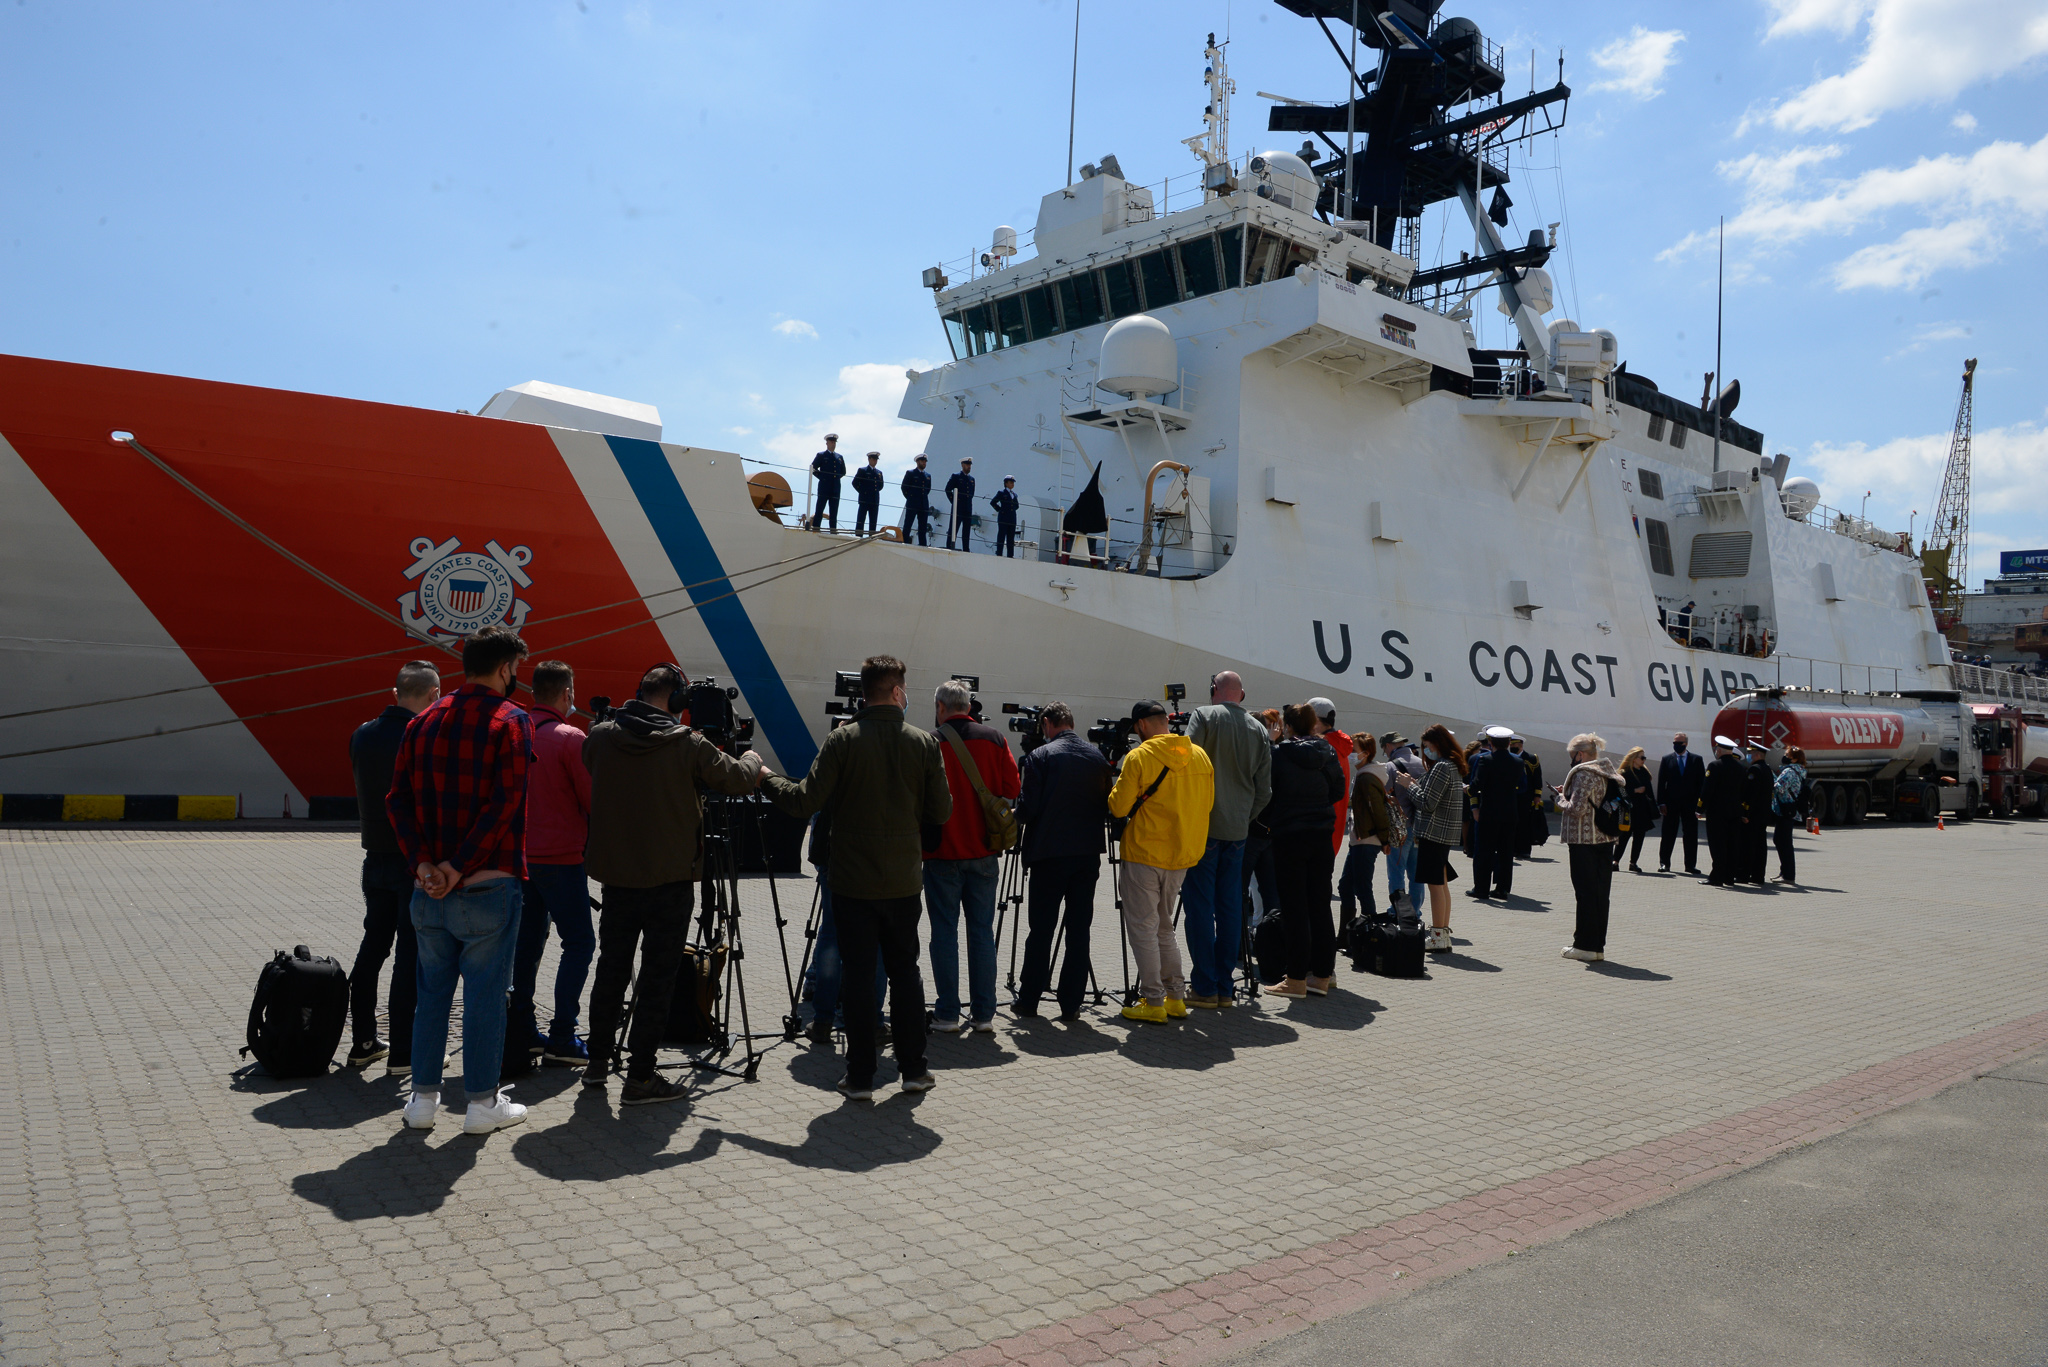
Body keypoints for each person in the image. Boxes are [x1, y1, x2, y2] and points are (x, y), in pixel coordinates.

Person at [763, 655, 952, 1101]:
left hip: (851, 883)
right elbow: (941, 811)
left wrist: (765, 778)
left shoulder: (842, 741)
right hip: (904, 883)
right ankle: (914, 1070)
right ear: (898, 693)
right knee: (906, 974)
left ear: (863, 692)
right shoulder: (924, 743)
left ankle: (861, 1076)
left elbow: (804, 801)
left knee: (860, 976)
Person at [579, 665, 765, 1106]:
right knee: (657, 978)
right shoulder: (689, 745)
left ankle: (597, 1064)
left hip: (618, 880)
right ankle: (641, 1077)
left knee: (611, 971)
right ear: (678, 700)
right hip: (671, 881)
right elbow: (737, 779)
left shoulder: (601, 738)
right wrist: (753, 759)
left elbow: (593, 765)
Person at [386, 626, 533, 1135]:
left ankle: (421, 1102)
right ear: (505, 668)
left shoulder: (422, 720)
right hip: (487, 885)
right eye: (515, 668)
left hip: (427, 890)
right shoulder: (511, 720)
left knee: (432, 996)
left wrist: (425, 863)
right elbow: (504, 804)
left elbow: (396, 800)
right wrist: (459, 865)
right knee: (486, 998)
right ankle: (480, 1105)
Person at [344, 659, 442, 1073]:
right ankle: (403, 1052)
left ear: (395, 692)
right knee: (410, 955)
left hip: (375, 858)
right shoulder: (422, 734)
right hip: (412, 861)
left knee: (372, 948)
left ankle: (363, 1040)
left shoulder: (362, 734)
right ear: (435, 696)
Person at [510, 660, 596, 1067]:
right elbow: (593, 801)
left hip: (519, 859)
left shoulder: (514, 729)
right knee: (579, 942)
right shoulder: (570, 738)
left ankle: (522, 1030)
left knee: (525, 946)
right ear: (566, 694)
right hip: (561, 860)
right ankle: (563, 1034)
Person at [923, 677, 1021, 1034]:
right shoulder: (994, 739)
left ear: (940, 707)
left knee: (944, 933)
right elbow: (1012, 788)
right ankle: (983, 1014)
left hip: (941, 853)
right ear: (969, 706)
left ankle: (947, 1013)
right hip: (984, 852)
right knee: (981, 932)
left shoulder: (929, 742)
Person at [1107, 699, 1215, 1023]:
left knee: (1143, 929)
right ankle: (1176, 997)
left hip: (1144, 852)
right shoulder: (1200, 755)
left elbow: (1118, 807)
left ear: (1140, 725)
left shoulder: (1139, 756)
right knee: (1164, 927)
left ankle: (1153, 1000)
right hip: (1181, 855)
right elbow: (1207, 804)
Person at [1013, 702, 1110, 1020]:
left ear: (1046, 723)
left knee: (1041, 928)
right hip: (1086, 856)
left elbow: (1030, 809)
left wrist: (1012, 815)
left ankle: (1029, 1000)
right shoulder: (1097, 757)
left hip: (1049, 854)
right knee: (1079, 930)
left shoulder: (1041, 756)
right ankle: (1071, 1004)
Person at [1184, 671, 1272, 1009]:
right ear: (1243, 694)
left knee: (1200, 908)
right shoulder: (1259, 729)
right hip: (1238, 830)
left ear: (1213, 691)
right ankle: (1223, 987)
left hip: (1205, 827)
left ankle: (1204, 987)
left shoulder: (1204, 716)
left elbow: (1187, 763)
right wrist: (1242, 816)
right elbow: (1264, 791)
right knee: (1231, 906)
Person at [1265, 703, 1346, 999]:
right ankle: (1322, 976)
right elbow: (1338, 790)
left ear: (1288, 726)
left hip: (1290, 835)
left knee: (1294, 908)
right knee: (1320, 905)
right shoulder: (1328, 752)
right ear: (1314, 725)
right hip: (1321, 834)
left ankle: (1296, 978)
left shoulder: (1280, 753)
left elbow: (1268, 792)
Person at [1555, 733, 1621, 962]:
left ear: (1580, 754)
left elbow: (1578, 809)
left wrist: (1560, 798)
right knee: (1601, 895)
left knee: (1585, 894)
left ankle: (1584, 946)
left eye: (1572, 755)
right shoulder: (1607, 772)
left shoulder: (1584, 773)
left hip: (1584, 842)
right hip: (1606, 839)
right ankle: (1597, 946)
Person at [1409, 723, 1468, 953]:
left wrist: (1410, 786)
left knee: (1435, 886)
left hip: (1434, 832)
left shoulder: (1442, 766)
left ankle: (1437, 935)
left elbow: (1427, 803)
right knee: (1441, 885)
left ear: (1437, 744)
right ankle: (1442, 933)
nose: (1426, 750)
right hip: (1444, 833)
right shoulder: (1452, 765)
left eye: (1427, 745)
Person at [1338, 733, 1393, 925]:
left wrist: (1385, 840)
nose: (1351, 754)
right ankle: (1348, 934)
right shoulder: (1363, 775)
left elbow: (1377, 811)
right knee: (1346, 886)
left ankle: (1370, 933)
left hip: (1367, 840)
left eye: (1354, 751)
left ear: (1366, 753)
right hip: (1360, 839)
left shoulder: (1366, 778)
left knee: (1361, 888)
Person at [1467, 725, 1524, 900]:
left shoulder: (1485, 760)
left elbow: (1476, 785)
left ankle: (1482, 889)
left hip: (1489, 813)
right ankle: (1502, 889)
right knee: (1506, 853)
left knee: (1485, 851)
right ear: (1508, 742)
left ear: (1490, 742)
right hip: (1509, 813)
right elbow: (1521, 787)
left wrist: (1468, 790)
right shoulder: (1518, 761)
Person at [1240, 708, 1283, 933]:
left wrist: (1249, 817)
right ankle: (1273, 942)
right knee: (1269, 892)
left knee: (1239, 891)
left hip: (1252, 831)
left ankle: (1239, 945)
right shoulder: (1278, 752)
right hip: (1270, 831)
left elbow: (1261, 791)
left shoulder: (1262, 753)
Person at [1381, 732, 1424, 916]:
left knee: (1396, 872)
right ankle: (1415, 912)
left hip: (1400, 828)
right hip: (1421, 825)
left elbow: (1384, 795)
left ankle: (1398, 912)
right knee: (1416, 874)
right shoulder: (1423, 763)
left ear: (1389, 746)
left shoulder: (1390, 766)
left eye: (1384, 749)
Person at [1307, 698, 1353, 858]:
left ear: (1315, 719)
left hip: (1317, 825)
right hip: (1335, 823)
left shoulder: (1320, 746)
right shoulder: (1340, 746)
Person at [1699, 735, 1746, 887]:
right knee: (1733, 844)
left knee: (1717, 844)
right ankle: (1729, 878)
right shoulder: (1741, 768)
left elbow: (1707, 790)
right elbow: (1744, 792)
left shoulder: (1714, 766)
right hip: (1735, 812)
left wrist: (1700, 808)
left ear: (1719, 750)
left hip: (1717, 813)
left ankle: (1716, 877)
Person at [1657, 732, 1705, 873]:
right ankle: (1664, 863)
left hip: (1690, 804)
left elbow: (1701, 784)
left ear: (1686, 744)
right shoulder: (1667, 759)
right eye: (1674, 743)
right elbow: (1661, 783)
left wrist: (1700, 805)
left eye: (1679, 743)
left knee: (1690, 835)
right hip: (1671, 804)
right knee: (1668, 834)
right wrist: (1661, 803)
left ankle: (1690, 865)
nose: (1676, 746)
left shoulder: (1696, 759)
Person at [1612, 746, 1658, 872]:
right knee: (1624, 836)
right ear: (1634, 758)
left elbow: (1650, 792)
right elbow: (1619, 791)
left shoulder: (1644, 772)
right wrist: (1635, 791)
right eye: (1641, 757)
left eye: (1644, 757)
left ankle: (1633, 862)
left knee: (1639, 837)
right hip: (1628, 809)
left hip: (1642, 810)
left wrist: (1654, 807)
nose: (1644, 760)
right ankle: (1615, 861)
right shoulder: (1624, 773)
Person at [1771, 746, 1808, 885]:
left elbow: (1779, 787)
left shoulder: (1789, 771)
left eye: (1787, 755)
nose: (1785, 756)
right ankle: (1785, 872)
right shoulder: (1800, 771)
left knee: (1782, 842)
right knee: (1783, 841)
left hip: (1785, 810)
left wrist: (1772, 777)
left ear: (1795, 758)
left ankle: (1788, 874)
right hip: (1791, 810)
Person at [1510, 735, 1548, 858]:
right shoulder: (1509, 757)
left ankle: (1524, 850)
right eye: (1510, 745)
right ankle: (1513, 849)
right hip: (1512, 796)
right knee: (1512, 823)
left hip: (1526, 797)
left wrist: (1537, 795)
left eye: (1514, 745)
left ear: (1520, 745)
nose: (1511, 747)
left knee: (1525, 823)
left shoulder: (1531, 758)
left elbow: (1537, 778)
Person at [809, 433, 846, 532]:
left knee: (834, 510)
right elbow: (813, 468)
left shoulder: (839, 457)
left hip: (835, 487)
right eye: (831, 442)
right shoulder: (821, 455)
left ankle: (833, 530)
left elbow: (843, 472)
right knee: (820, 507)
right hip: (824, 486)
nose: (833, 444)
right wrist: (822, 477)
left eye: (834, 442)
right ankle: (816, 528)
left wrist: (835, 479)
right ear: (827, 443)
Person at [944, 457, 977, 551]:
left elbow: (972, 493)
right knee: (953, 528)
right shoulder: (956, 476)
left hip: (967, 507)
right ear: (962, 465)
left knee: (966, 530)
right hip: (958, 507)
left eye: (970, 465)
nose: (969, 467)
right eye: (967, 465)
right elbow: (947, 489)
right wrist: (954, 502)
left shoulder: (972, 479)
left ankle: (966, 548)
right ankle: (949, 546)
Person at [901, 455, 934, 546]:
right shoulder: (911, 473)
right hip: (912, 503)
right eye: (922, 461)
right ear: (917, 462)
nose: (924, 463)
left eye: (925, 461)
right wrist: (910, 497)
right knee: (908, 523)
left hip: (923, 503)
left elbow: (928, 489)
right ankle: (904, 541)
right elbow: (904, 487)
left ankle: (923, 544)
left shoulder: (927, 476)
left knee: (923, 525)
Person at [852, 451, 885, 537]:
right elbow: (855, 483)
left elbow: (880, 486)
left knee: (873, 521)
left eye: (876, 459)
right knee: (861, 519)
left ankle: (872, 536)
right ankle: (859, 535)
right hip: (864, 499)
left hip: (874, 499)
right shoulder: (863, 470)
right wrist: (863, 492)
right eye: (873, 459)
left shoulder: (879, 473)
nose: (875, 461)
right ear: (869, 459)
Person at [990, 476, 1021, 557]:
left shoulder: (1014, 495)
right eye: (1010, 482)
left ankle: (1010, 555)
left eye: (1013, 482)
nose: (1012, 484)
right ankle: (999, 553)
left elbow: (1017, 506)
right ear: (1006, 483)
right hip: (1003, 518)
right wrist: (1000, 510)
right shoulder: (1001, 493)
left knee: (1011, 537)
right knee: (1001, 535)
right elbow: (993, 502)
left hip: (1012, 518)